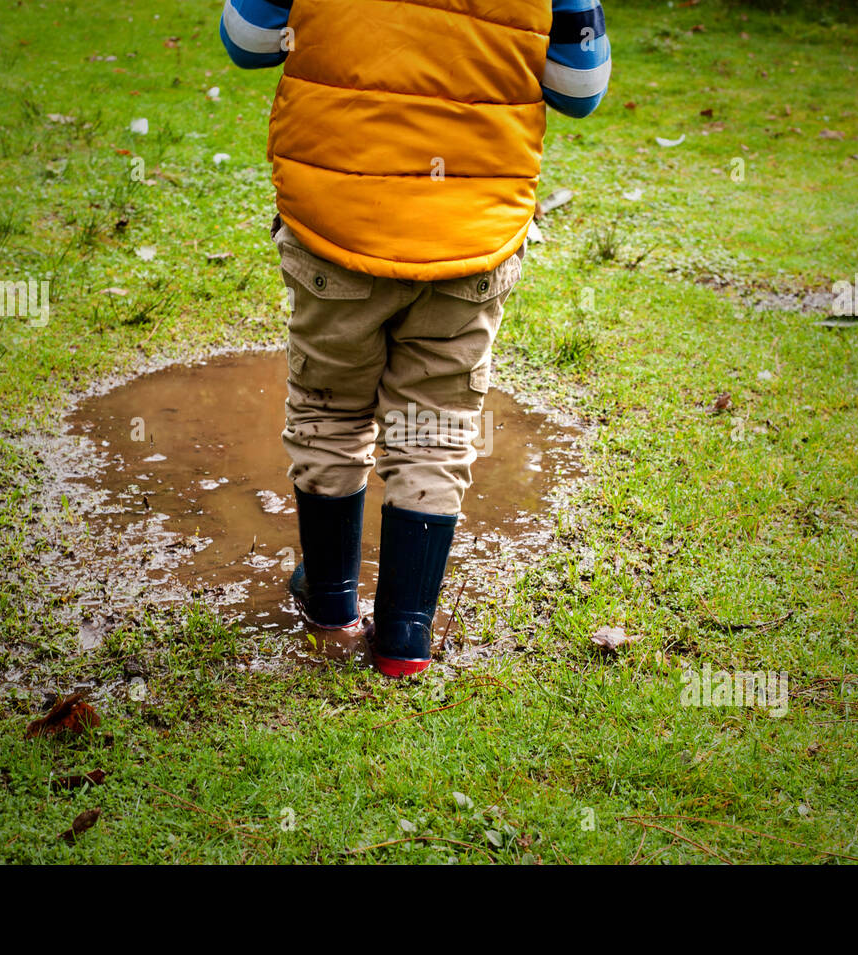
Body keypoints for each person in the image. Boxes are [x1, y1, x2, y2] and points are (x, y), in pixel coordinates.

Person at [221, 0, 610, 676]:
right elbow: (580, 90)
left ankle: (333, 607)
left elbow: (246, 41)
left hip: (336, 228)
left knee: (330, 412)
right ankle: (404, 635)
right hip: (471, 238)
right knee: (433, 427)